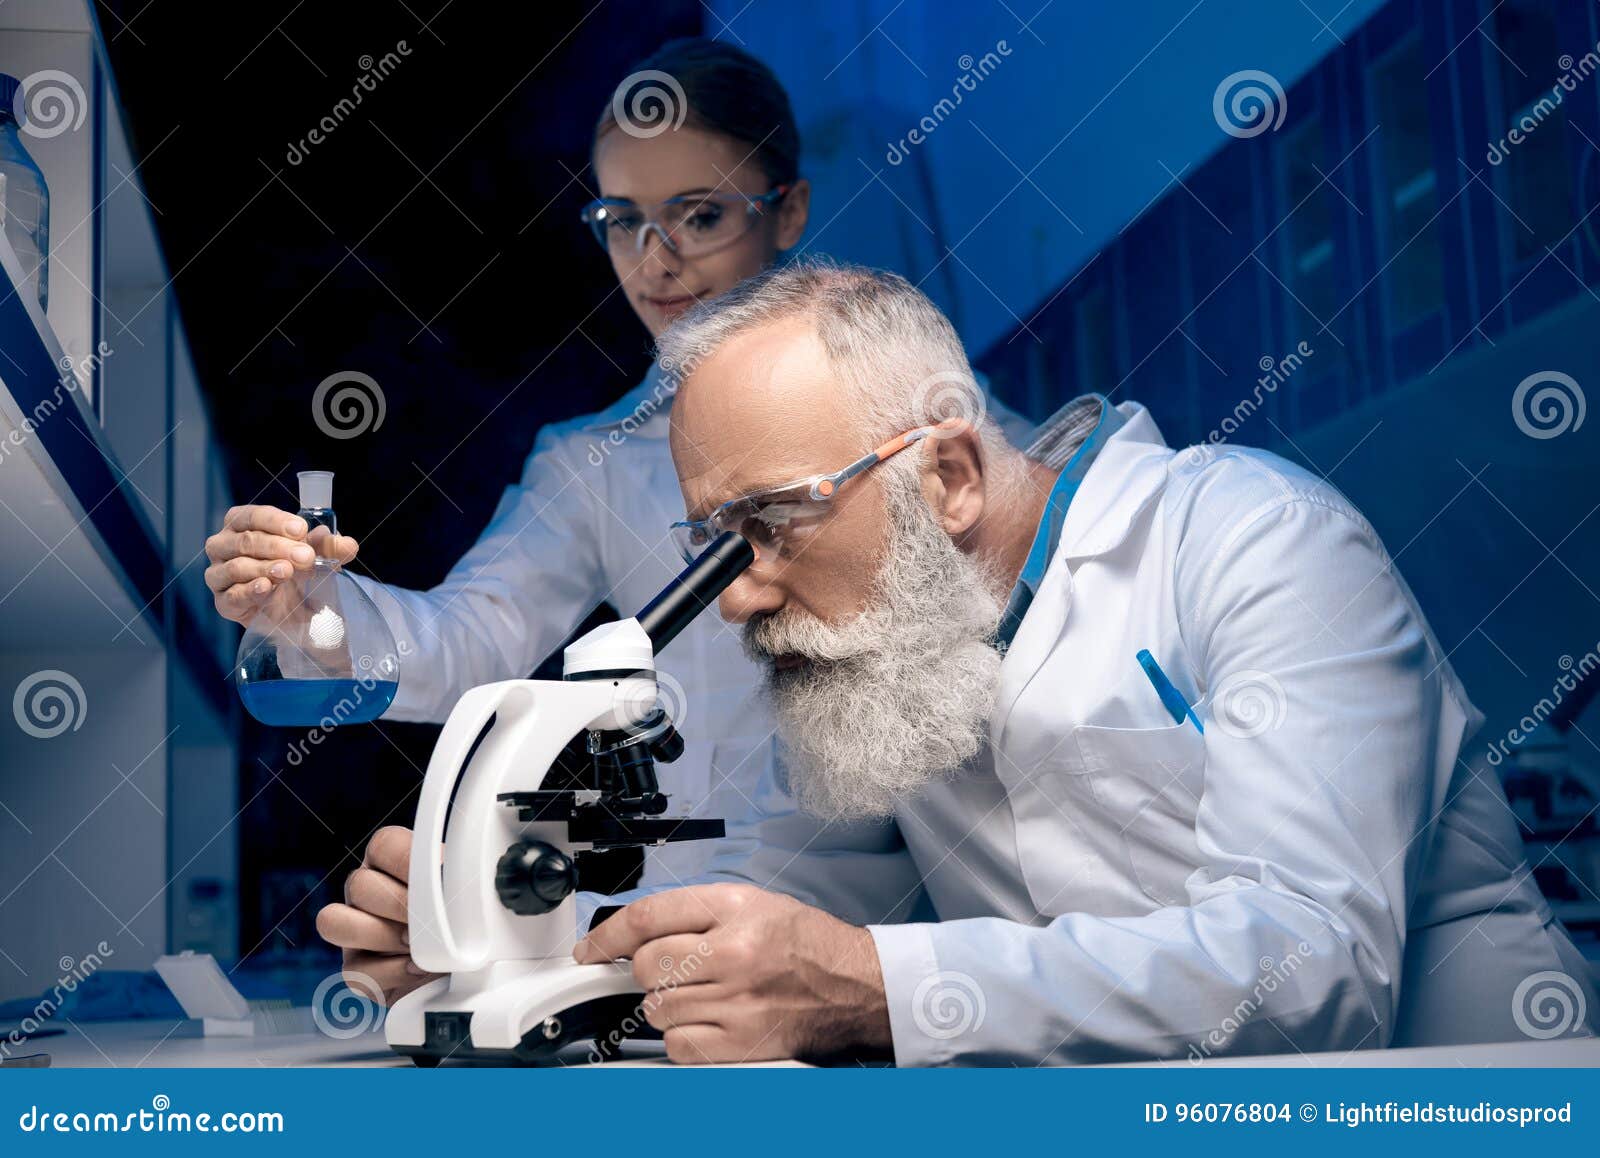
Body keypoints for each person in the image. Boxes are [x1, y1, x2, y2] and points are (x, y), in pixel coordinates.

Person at [367, 259, 1596, 1066]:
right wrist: (505, 940)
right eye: (712, 539)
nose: (739, 588)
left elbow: (1311, 972)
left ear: (946, 475)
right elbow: (773, 903)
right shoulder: (881, 652)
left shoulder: (1251, 539)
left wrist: (871, 985)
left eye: (769, 522)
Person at [203, 42, 1030, 1006]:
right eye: (623, 220)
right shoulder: (594, 460)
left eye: (701, 215)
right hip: (689, 931)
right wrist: (318, 613)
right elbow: (475, 638)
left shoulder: (921, 418)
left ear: (790, 211)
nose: (656, 259)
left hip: (901, 949)